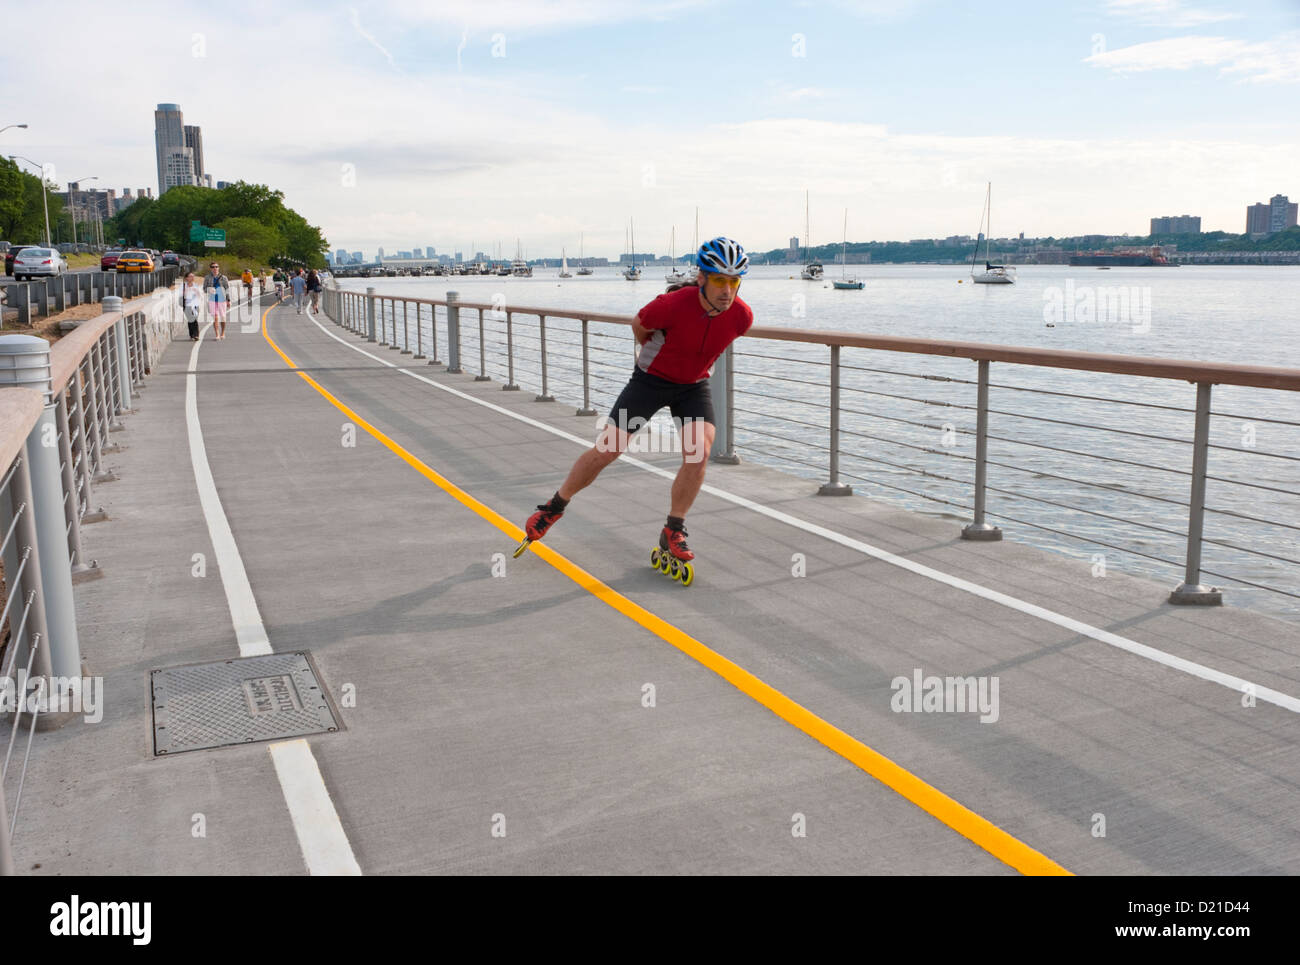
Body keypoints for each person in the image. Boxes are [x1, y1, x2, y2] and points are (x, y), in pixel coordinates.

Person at [518, 237, 753, 573]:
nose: (727, 290)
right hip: (649, 382)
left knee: (699, 452)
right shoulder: (672, 304)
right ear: (701, 278)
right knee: (608, 450)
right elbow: (640, 326)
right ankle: (554, 507)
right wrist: (654, 354)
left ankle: (674, 528)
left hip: (693, 387)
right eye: (719, 280)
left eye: (734, 282)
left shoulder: (741, 317)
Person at [203, 261, 230, 339]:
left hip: (222, 300)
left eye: (216, 267)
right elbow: (204, 289)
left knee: (223, 318)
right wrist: (209, 289)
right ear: (210, 269)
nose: (215, 268)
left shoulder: (224, 277)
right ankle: (217, 334)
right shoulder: (207, 277)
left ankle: (223, 333)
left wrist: (228, 300)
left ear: (218, 268)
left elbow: (227, 289)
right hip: (212, 299)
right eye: (213, 267)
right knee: (215, 318)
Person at [179, 271, 204, 340]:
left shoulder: (196, 285)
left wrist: (197, 292)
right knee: (190, 320)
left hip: (195, 305)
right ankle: (191, 334)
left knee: (194, 319)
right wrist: (187, 291)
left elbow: (200, 296)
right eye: (190, 276)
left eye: (193, 276)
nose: (192, 278)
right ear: (187, 278)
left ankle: (196, 335)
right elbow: (182, 295)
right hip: (187, 305)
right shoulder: (183, 286)